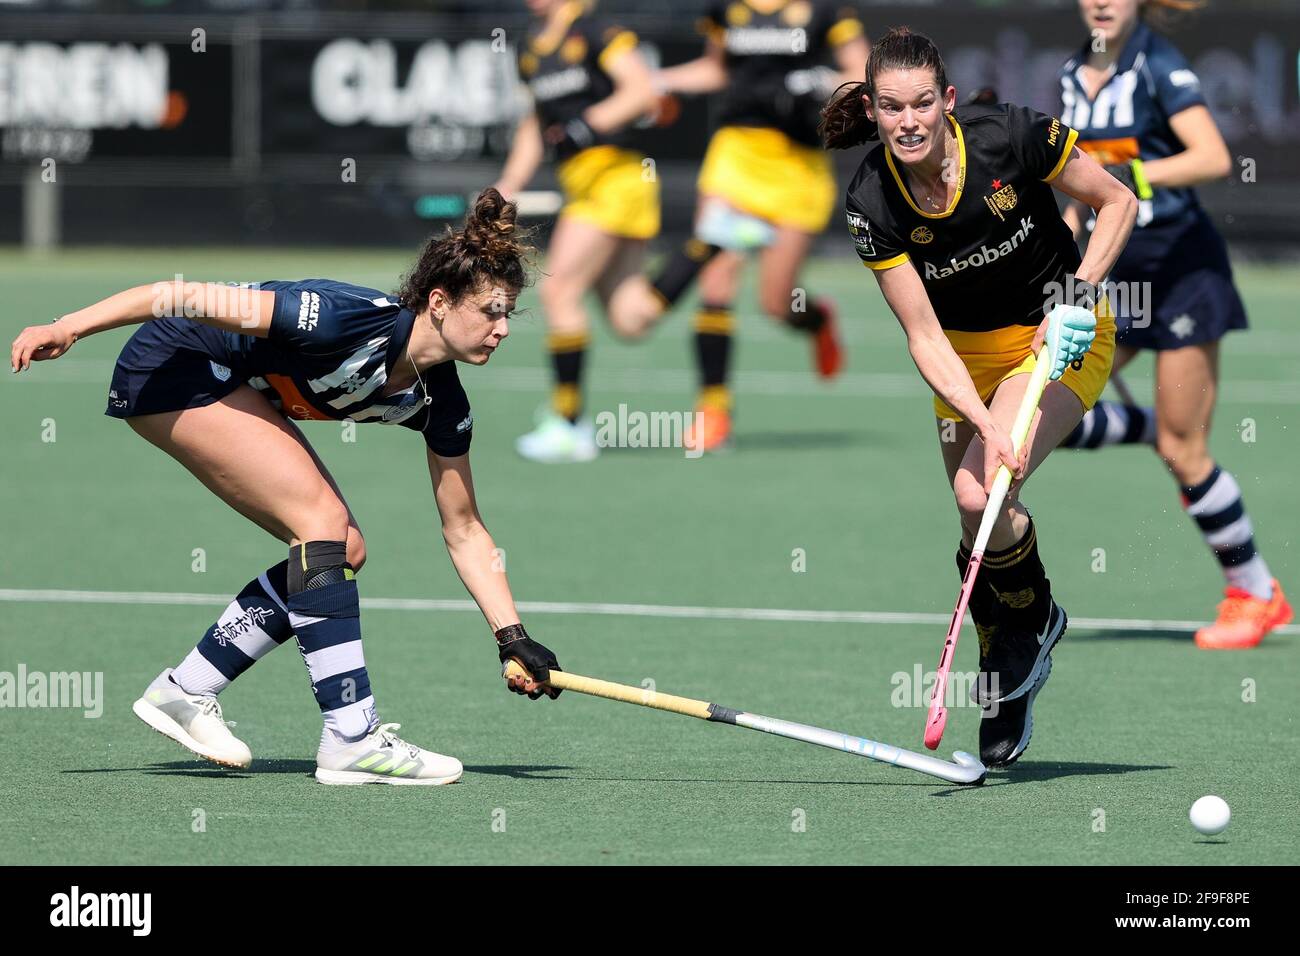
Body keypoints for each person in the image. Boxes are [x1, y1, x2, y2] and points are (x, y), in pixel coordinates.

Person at [9, 189, 563, 785]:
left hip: (226, 383)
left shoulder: (442, 401)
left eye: (509, 314)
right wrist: (68, 327)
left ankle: (185, 691)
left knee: (340, 549)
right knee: (321, 526)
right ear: (438, 302)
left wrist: (512, 637)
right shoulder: (337, 318)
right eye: (491, 312)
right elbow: (174, 296)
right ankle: (352, 737)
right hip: (176, 366)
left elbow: (464, 529)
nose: (503, 329)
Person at [822, 28, 1137, 765]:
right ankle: (1020, 642)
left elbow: (1116, 203)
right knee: (980, 534)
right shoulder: (872, 198)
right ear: (872, 109)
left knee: (977, 495)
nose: (908, 121)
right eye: (892, 106)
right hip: (962, 358)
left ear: (948, 102)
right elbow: (925, 337)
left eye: (923, 104)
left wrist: (1077, 299)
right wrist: (980, 421)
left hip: (1053, 336)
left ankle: (1023, 631)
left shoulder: (1012, 137)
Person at [1054, 0, 1290, 648]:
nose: (1102, 2)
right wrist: (1064, 276)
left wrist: (1128, 176)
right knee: (1046, 410)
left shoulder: (1157, 64)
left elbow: (1212, 157)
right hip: (1116, 280)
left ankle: (1256, 593)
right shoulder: (1072, 74)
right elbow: (1075, 191)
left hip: (1183, 274)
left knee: (1186, 453)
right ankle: (1157, 424)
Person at [619, 0, 870, 451]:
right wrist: (659, 80)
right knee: (717, 274)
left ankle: (817, 321)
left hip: (798, 165)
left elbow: (861, 74)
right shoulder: (727, 10)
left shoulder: (824, 11)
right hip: (736, 154)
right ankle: (713, 410)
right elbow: (717, 71)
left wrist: (824, 81)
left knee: (776, 303)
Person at [495, 0, 665, 463]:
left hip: (617, 178)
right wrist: (508, 184)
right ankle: (709, 245)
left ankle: (569, 424)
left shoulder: (595, 30)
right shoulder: (530, 46)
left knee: (560, 292)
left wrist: (587, 125)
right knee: (631, 317)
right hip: (588, 186)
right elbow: (536, 122)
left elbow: (641, 91)